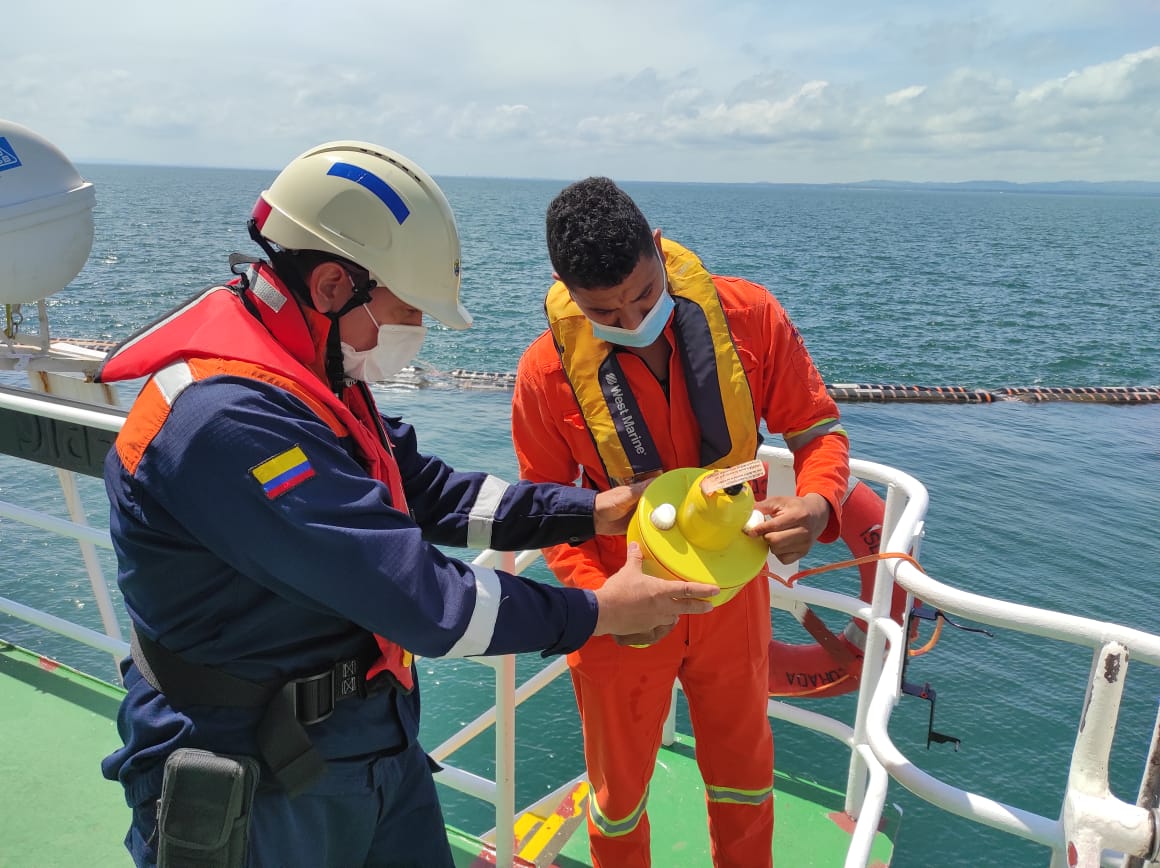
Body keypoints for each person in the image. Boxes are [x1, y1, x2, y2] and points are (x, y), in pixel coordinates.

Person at [95, 144, 720, 868]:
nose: (415, 331)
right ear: (333, 283)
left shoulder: (310, 370)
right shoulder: (226, 422)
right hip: (255, 770)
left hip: (366, 743)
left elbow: (424, 491)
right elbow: (420, 600)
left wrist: (589, 510)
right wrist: (599, 613)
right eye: (407, 309)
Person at [511, 176, 851, 867]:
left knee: (745, 775)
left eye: (642, 294)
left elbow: (818, 430)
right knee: (617, 796)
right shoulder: (544, 372)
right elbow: (547, 503)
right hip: (618, 604)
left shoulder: (750, 314)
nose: (632, 318)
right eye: (603, 309)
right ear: (566, 290)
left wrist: (818, 502)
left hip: (734, 593)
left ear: (659, 248)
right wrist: (600, 602)